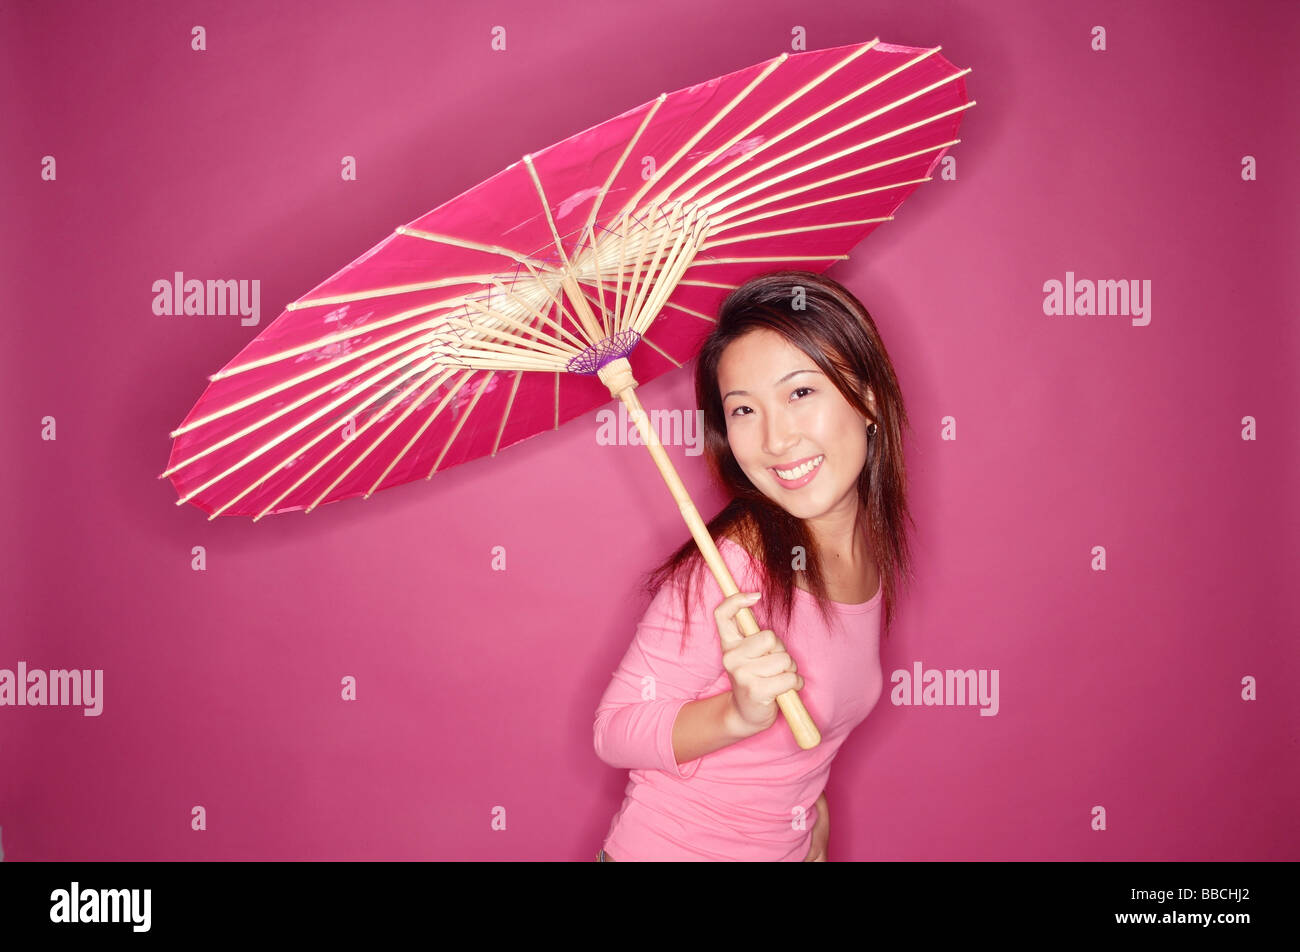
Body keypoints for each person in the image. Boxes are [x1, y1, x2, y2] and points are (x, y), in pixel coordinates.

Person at [592, 269, 917, 861]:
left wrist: (811, 820)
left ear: (868, 398)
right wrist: (738, 713)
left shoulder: (867, 546)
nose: (774, 440)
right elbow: (613, 731)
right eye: (743, 410)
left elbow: (810, 739)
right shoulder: (733, 564)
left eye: (800, 393)